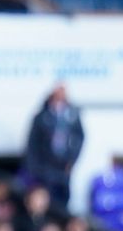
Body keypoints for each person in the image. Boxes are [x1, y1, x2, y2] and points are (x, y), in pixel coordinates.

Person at [22, 83, 84, 211]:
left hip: (63, 167)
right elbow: (32, 144)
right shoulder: (41, 117)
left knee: (63, 201)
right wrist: (35, 168)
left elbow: (80, 137)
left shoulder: (72, 116)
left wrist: (72, 159)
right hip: (45, 169)